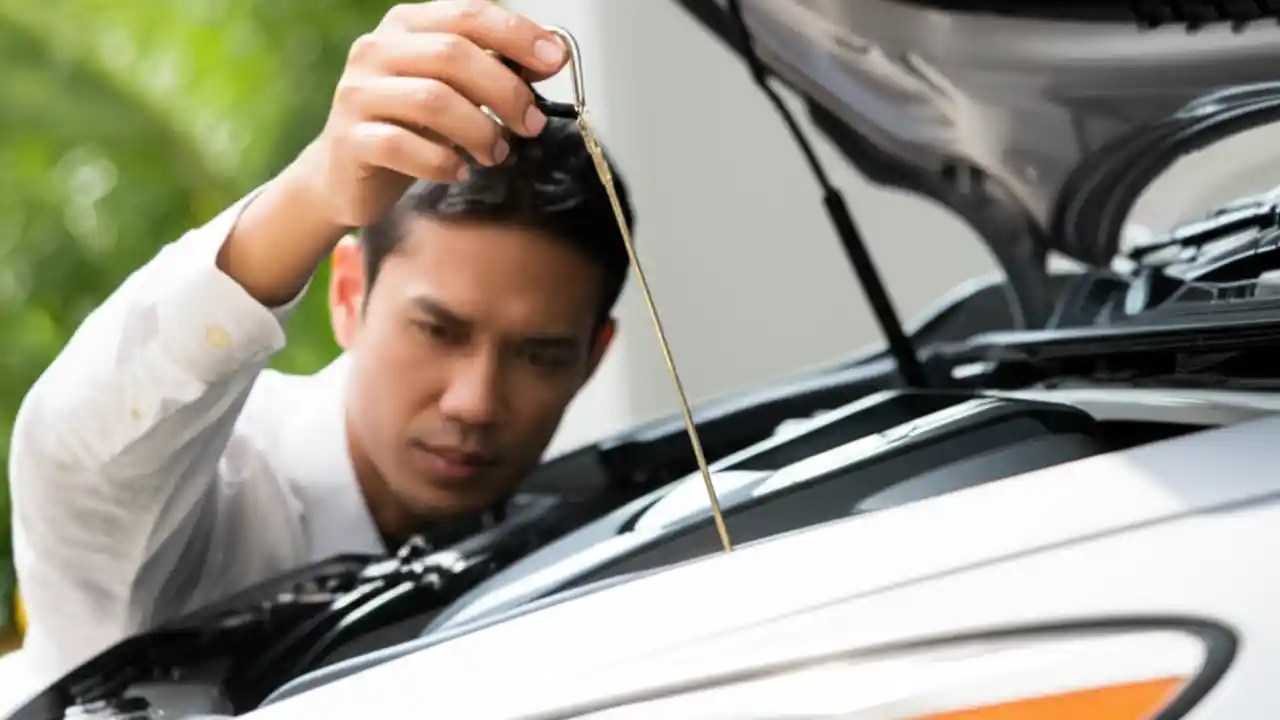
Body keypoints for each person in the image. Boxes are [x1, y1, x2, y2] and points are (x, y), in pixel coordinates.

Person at [6, 0, 634, 686]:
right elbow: (75, 458)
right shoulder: (216, 499)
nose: (475, 402)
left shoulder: (587, 562)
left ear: (593, 358)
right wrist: (310, 196)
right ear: (347, 298)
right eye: (437, 331)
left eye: (538, 355)